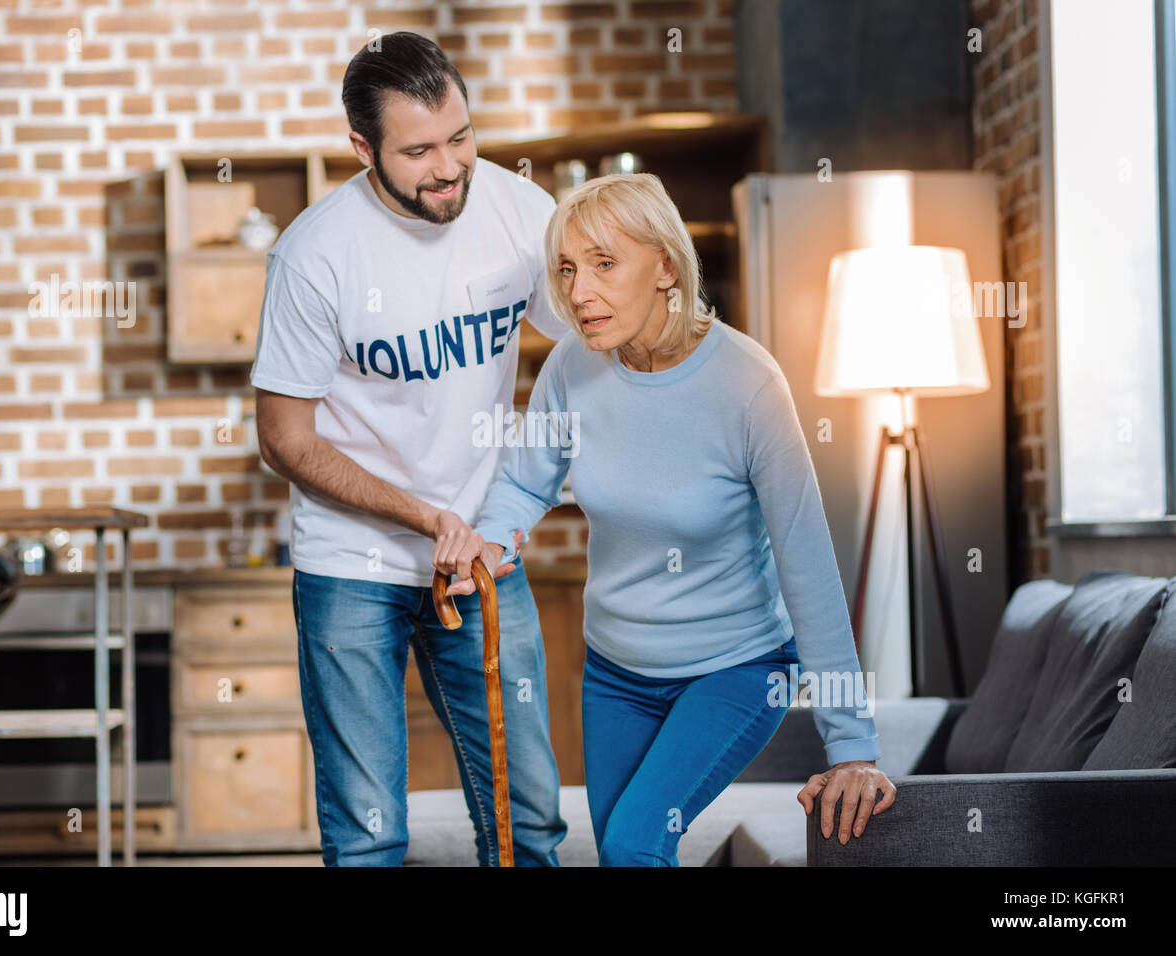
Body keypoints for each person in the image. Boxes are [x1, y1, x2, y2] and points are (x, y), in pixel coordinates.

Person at [432, 172, 897, 866]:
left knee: (631, 845)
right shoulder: (571, 368)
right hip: (616, 672)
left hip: (737, 669)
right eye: (566, 269)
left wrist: (853, 745)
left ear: (667, 268)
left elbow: (808, 568)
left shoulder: (747, 383)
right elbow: (524, 485)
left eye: (604, 264)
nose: (578, 293)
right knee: (633, 855)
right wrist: (489, 543)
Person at [252, 32, 571, 866]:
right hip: (351, 565)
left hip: (482, 559)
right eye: (419, 150)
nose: (450, 167)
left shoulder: (520, 211)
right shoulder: (315, 255)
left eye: (461, 137)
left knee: (528, 818)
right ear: (363, 148)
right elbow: (284, 439)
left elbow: (592, 345)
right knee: (368, 838)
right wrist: (425, 516)